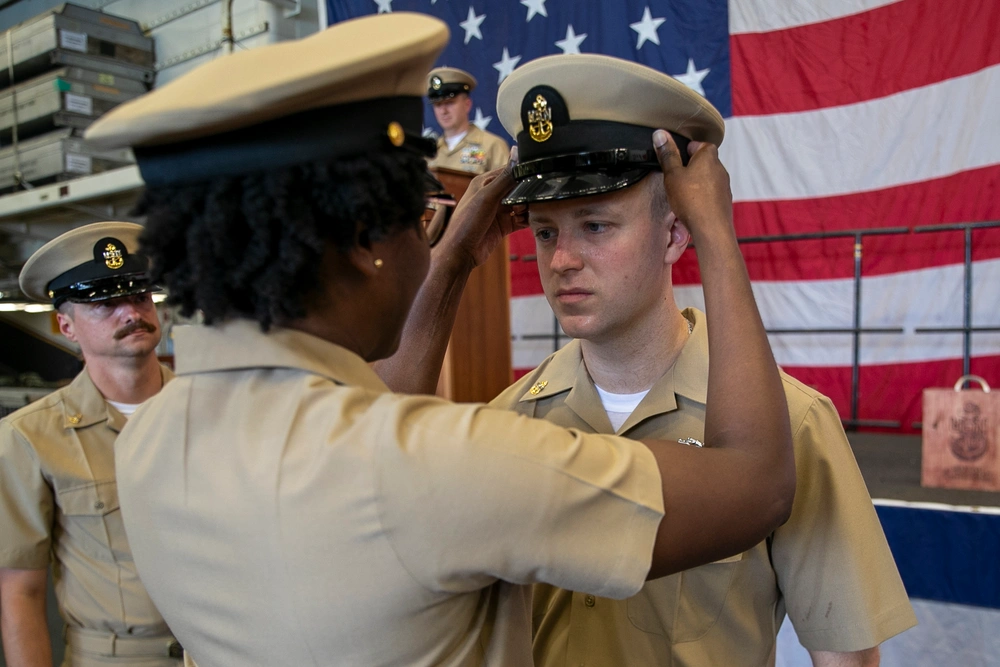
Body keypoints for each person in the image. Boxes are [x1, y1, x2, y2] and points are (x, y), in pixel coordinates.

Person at [83, 13, 794, 666]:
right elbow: (756, 483)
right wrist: (716, 232)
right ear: (368, 244)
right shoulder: (445, 464)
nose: (428, 248)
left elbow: (366, 441)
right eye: (416, 224)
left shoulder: (150, 440)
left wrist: (452, 261)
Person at [485, 54, 918, 667]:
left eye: (597, 225)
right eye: (547, 231)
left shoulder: (789, 424)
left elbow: (843, 657)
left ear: (674, 234)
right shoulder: (505, 424)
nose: (561, 262)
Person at [0, 222, 181, 666]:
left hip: (230, 650)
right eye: (103, 303)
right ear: (66, 325)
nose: (130, 312)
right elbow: (20, 590)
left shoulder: (213, 412)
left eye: (139, 296)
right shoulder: (30, 437)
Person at [427, 66, 509, 174]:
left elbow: (509, 188)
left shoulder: (492, 145)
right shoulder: (430, 153)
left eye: (449, 103)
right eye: (438, 105)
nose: (443, 111)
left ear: (467, 104)